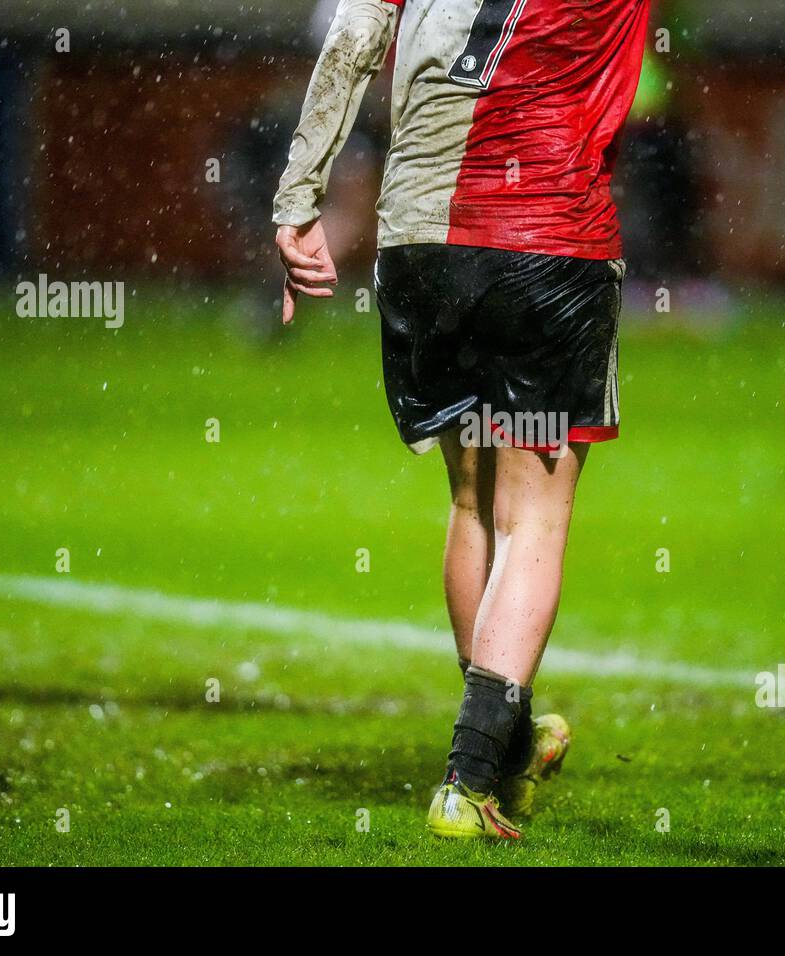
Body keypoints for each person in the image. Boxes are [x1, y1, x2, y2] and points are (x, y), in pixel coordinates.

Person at [272, 0, 650, 838]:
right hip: (544, 235)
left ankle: (506, 743)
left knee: (475, 504)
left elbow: (354, 32)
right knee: (533, 518)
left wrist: (298, 196)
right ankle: (467, 777)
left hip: (419, 246)